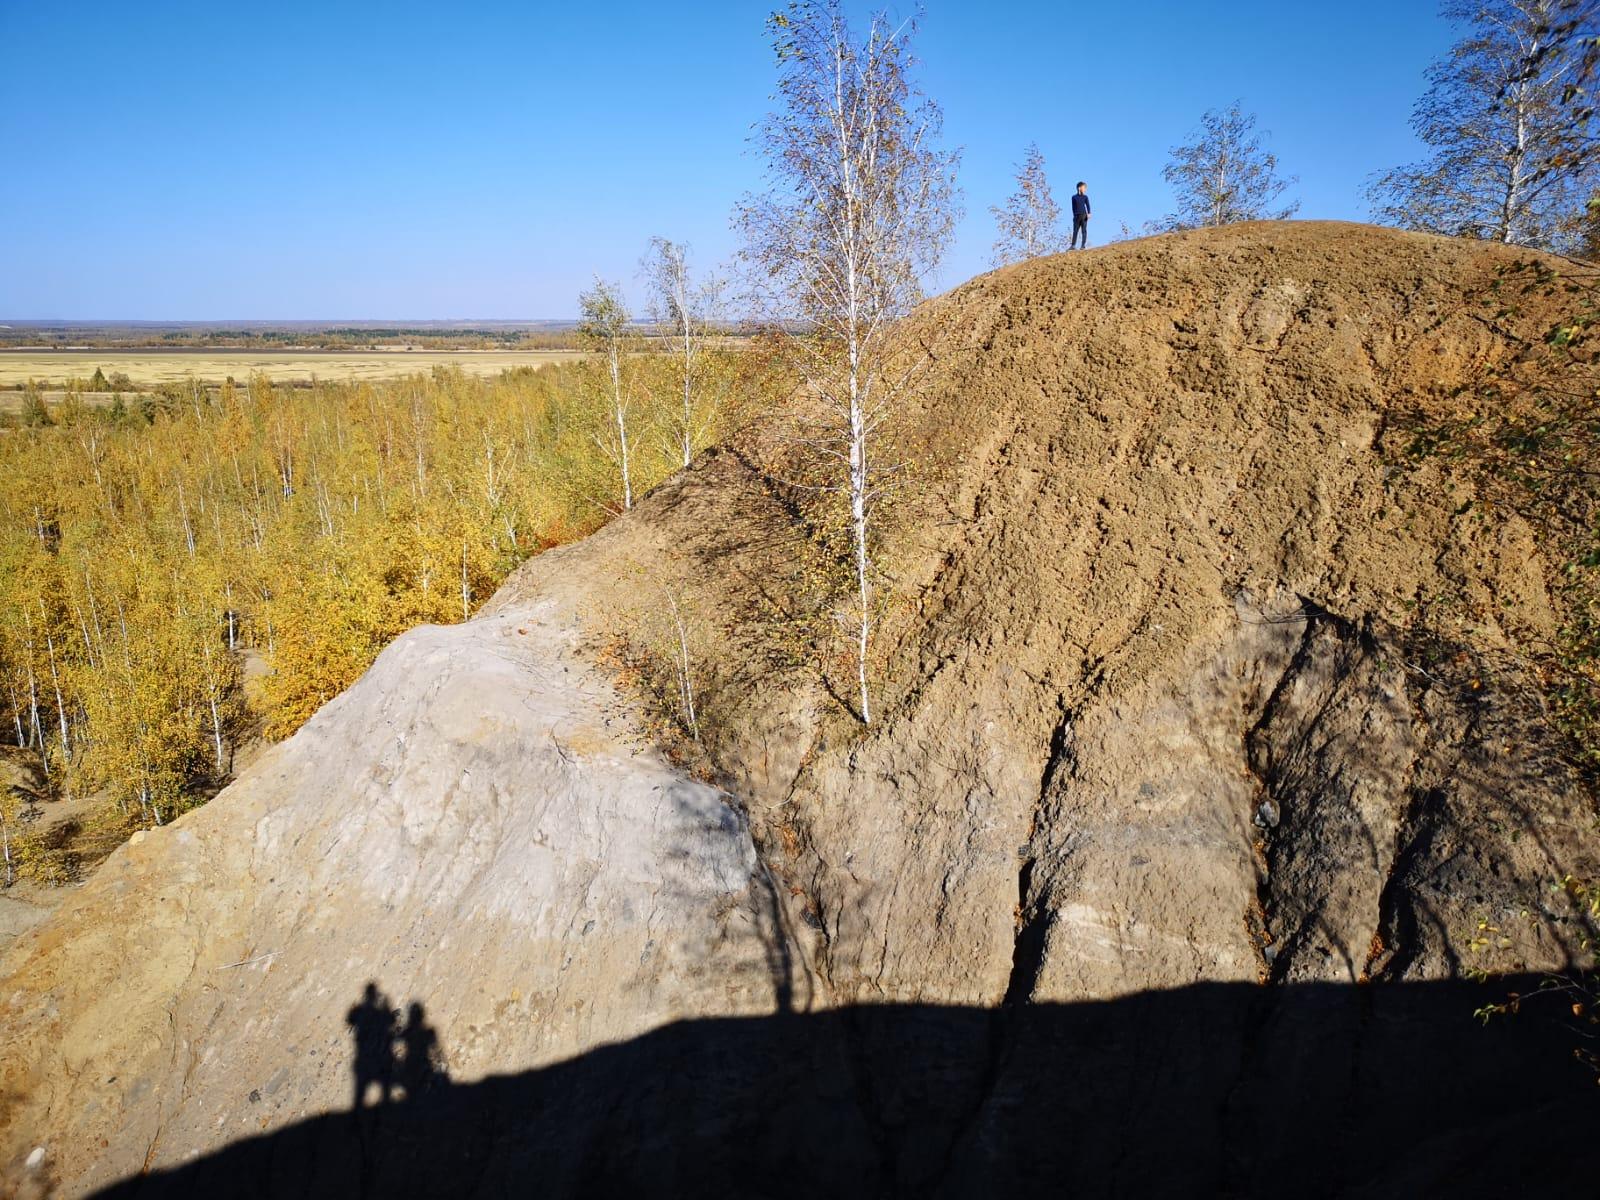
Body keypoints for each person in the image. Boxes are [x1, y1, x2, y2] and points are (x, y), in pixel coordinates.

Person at [1071, 182, 1091, 249]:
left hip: (1084, 216)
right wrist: (1074, 216)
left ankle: (1083, 245)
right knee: (1075, 231)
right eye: (1084, 188)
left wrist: (1089, 213)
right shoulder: (1074, 197)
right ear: (1079, 188)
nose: (1085, 189)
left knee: (1084, 231)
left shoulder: (1085, 197)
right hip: (1076, 216)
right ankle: (1073, 245)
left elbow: (1088, 205)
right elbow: (1073, 207)